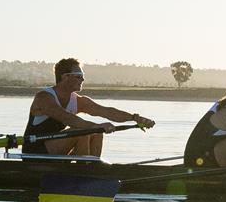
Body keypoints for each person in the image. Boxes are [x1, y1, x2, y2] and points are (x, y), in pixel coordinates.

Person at [24, 58, 155, 157]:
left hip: (55, 148)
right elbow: (68, 119)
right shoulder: (44, 97)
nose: (82, 80)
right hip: (34, 151)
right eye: (79, 76)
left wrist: (135, 118)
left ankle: (93, 168)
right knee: (82, 131)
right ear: (65, 77)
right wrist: (96, 126)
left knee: (96, 133)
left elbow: (108, 112)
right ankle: (83, 171)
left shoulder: (78, 101)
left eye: (83, 76)